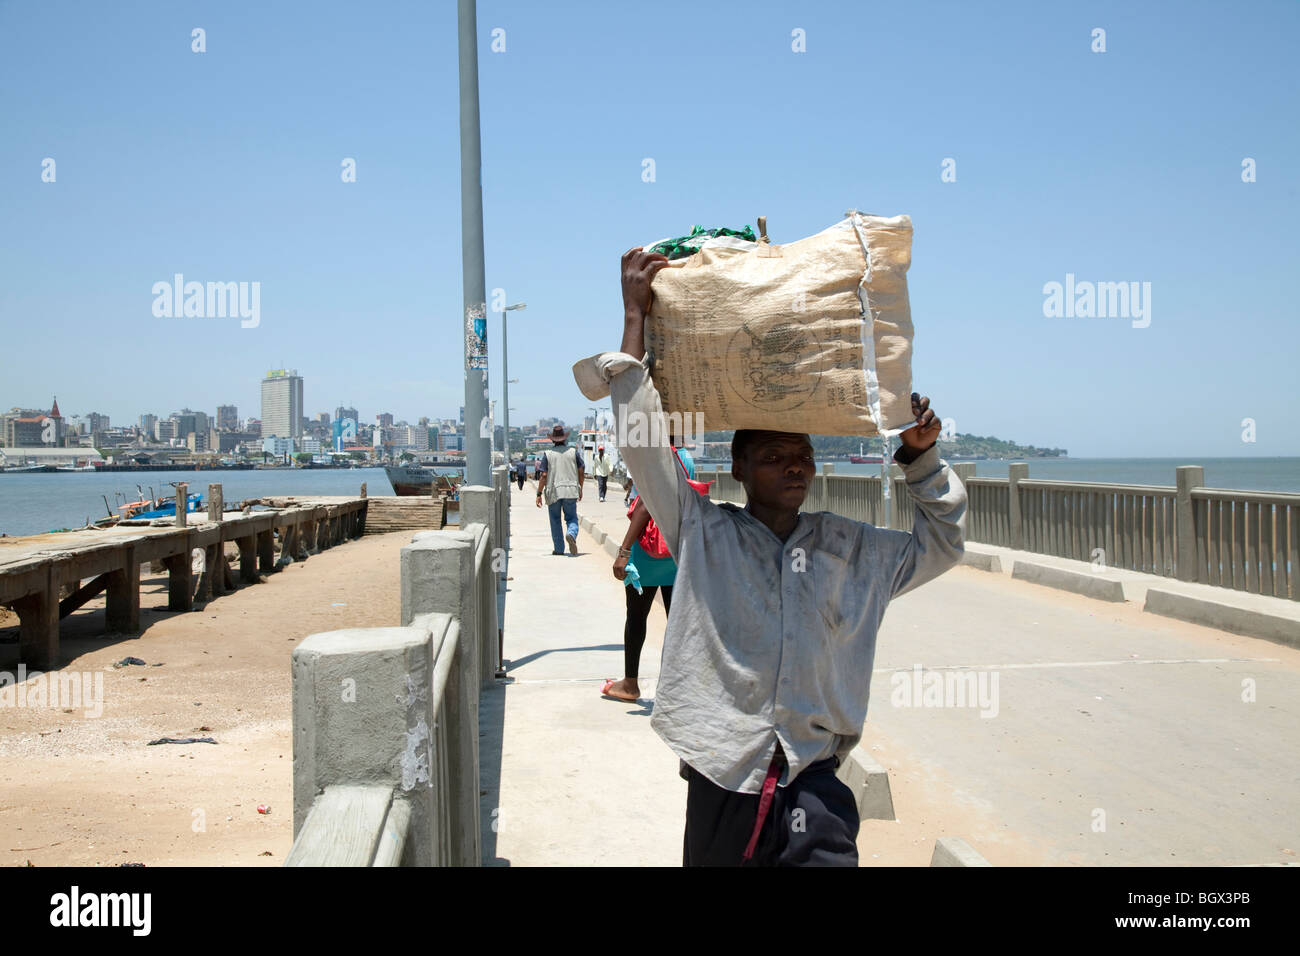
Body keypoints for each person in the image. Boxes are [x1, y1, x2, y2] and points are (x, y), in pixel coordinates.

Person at [577, 247, 967, 866]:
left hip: (814, 776)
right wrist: (634, 317)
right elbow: (644, 445)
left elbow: (943, 542)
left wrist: (921, 460)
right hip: (721, 771)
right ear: (737, 468)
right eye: (772, 456)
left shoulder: (849, 548)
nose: (794, 466)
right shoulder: (705, 534)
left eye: (802, 454)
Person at [603, 440, 696, 703]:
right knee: (677, 623)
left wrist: (623, 552)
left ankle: (630, 685)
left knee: (636, 617)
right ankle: (682, 687)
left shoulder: (657, 457)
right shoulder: (685, 457)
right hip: (675, 550)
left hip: (647, 552)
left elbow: (644, 506)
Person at [535, 424, 585, 556]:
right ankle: (571, 533)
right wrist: (580, 488)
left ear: (552, 440)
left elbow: (543, 475)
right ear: (565, 439)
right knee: (572, 517)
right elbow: (581, 471)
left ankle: (558, 549)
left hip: (554, 492)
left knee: (555, 519)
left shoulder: (548, 454)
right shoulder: (573, 452)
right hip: (570, 490)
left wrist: (539, 493)